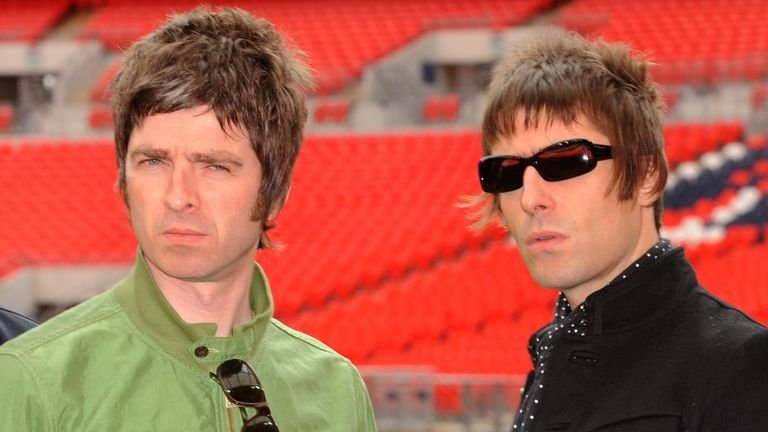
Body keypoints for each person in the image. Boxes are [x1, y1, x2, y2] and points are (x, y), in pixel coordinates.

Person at [0, 7, 376, 431]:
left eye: (214, 166)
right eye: (154, 161)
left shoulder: (336, 388)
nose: (179, 197)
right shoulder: (32, 381)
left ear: (275, 193)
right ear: (123, 181)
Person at [473, 27, 768, 431]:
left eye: (565, 162)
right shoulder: (551, 359)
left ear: (647, 175)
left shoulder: (740, 363)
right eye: (505, 171)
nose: (530, 198)